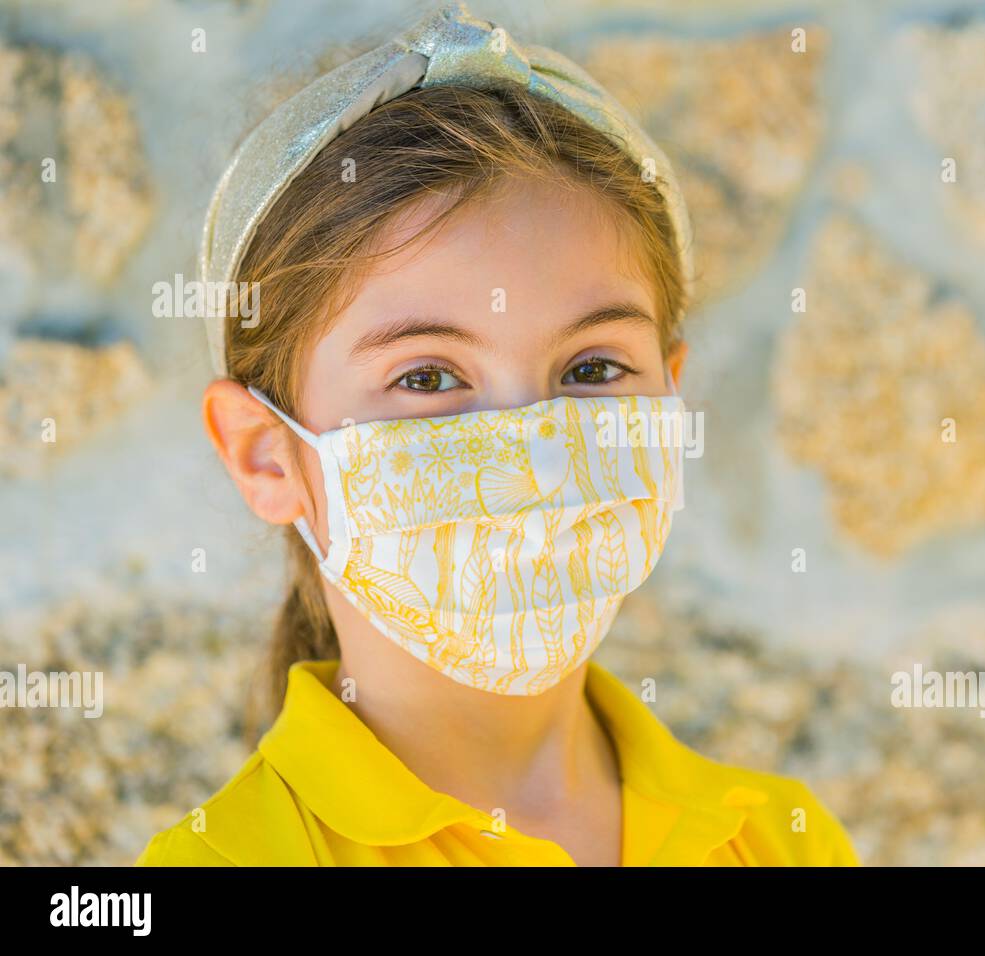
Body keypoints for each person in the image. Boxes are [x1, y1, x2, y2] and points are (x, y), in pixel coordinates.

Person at [135, 2, 859, 867]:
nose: (535, 458)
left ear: (671, 395)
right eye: (428, 378)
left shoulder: (778, 837)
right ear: (266, 452)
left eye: (592, 369)